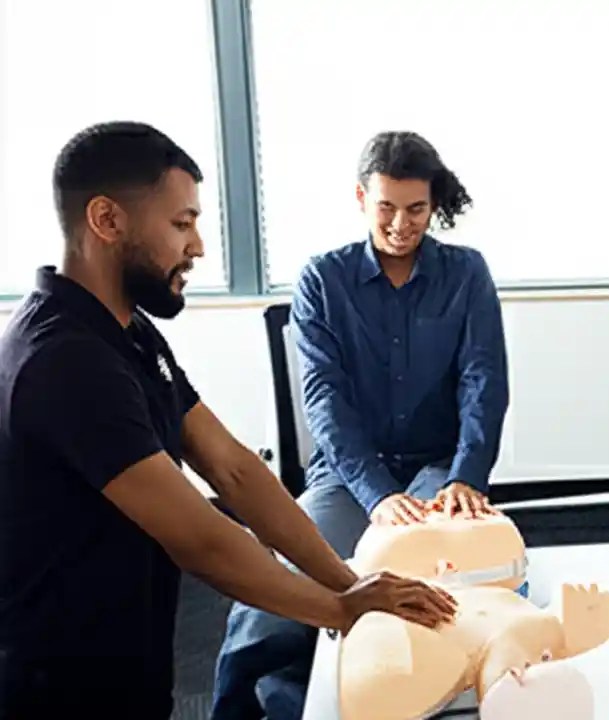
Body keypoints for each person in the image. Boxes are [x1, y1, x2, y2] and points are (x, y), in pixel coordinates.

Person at [0, 121, 457, 719]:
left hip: (126, 664)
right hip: (57, 689)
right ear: (107, 221)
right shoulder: (63, 361)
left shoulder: (128, 335)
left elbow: (235, 470)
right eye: (181, 223)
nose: (198, 247)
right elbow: (202, 541)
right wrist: (342, 609)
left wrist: (345, 580)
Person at [212, 130, 510, 718]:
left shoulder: (467, 273)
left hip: (437, 471)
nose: (402, 223)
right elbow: (324, 401)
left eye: (417, 209)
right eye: (387, 208)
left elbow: (485, 383)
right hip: (347, 480)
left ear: (434, 205)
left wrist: (467, 477)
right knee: (273, 590)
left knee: (435, 583)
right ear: (360, 199)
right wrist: (377, 494)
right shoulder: (323, 279)